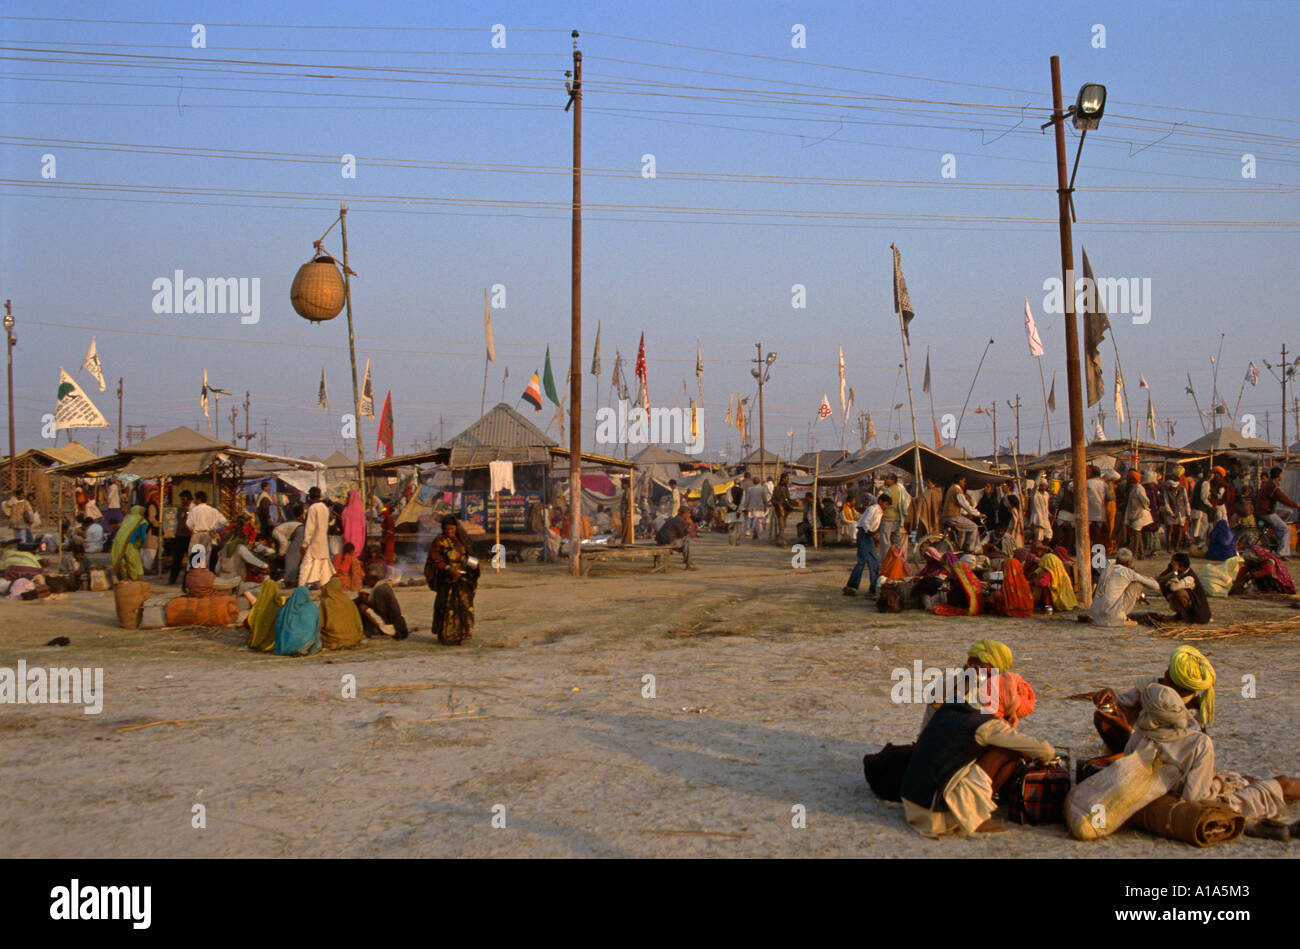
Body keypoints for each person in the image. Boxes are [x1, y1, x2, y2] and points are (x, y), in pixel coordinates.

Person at [1124, 678, 1300, 830]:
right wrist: (1219, 785)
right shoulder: (1197, 743)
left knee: (1246, 779)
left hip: (1168, 792)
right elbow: (1194, 797)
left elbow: (1128, 776)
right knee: (1283, 783)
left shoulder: (1138, 736)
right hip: (1214, 803)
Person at [900, 687, 1055, 838]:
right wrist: (1049, 757)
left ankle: (975, 806)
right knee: (1010, 752)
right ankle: (977, 818)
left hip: (912, 804)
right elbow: (1042, 750)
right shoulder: (985, 725)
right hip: (934, 815)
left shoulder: (950, 707)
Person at [426, 515, 479, 645]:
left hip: (463, 579)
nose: (449, 531)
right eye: (447, 529)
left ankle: (462, 636)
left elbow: (469, 556)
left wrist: (473, 566)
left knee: (465, 607)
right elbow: (435, 558)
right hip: (447, 579)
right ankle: (447, 636)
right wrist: (449, 569)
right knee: (447, 608)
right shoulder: (440, 541)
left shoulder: (461, 540)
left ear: (456, 528)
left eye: (452, 529)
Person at [1089, 548, 1161, 627]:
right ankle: (1122, 617)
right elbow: (1155, 586)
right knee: (1137, 584)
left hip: (1096, 616)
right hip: (1112, 616)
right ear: (1129, 562)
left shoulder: (1107, 568)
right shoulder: (1127, 572)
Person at [843, 493, 890, 597]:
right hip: (864, 535)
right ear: (881, 502)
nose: (886, 507)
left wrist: (874, 537)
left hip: (869, 536)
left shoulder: (880, 511)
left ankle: (873, 589)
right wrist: (873, 536)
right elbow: (865, 523)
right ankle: (851, 587)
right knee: (862, 561)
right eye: (886, 504)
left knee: (874, 563)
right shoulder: (873, 509)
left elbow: (872, 527)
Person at [355, 563, 409, 639]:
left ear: (373, 579)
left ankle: (373, 631)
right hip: (398, 626)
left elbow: (381, 611)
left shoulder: (379, 589)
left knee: (362, 607)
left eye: (367, 577)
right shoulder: (383, 586)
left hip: (392, 627)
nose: (365, 579)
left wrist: (366, 601)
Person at [1157, 552, 1211, 624]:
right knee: (1164, 583)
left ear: (1181, 566)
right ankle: (1180, 614)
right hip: (1192, 607)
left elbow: (1173, 587)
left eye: (1174, 564)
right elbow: (1158, 579)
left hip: (1199, 614)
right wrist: (1167, 571)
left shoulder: (1190, 578)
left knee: (1179, 592)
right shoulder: (1179, 572)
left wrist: (1174, 572)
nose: (1171, 565)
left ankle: (1187, 617)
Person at [1255, 467, 1296, 558]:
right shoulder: (1272, 486)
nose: (1282, 476)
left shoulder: (1271, 484)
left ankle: (1278, 537)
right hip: (1266, 512)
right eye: (1281, 474)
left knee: (1288, 513)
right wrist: (1296, 505)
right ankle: (1282, 553)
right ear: (1278, 476)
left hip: (1266, 511)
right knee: (1286, 529)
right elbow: (1283, 498)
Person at [298, 487, 335, 588]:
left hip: (313, 542)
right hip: (323, 542)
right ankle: (323, 588)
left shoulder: (313, 508)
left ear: (310, 496)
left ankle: (300, 588)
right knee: (323, 567)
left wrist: (304, 544)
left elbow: (310, 528)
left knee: (305, 567)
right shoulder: (324, 507)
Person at [185, 491, 227, 570]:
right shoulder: (212, 510)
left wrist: (193, 529)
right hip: (208, 535)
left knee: (194, 556)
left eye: (196, 499)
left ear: (199, 499)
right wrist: (213, 527)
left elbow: (189, 524)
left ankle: (194, 575)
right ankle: (203, 574)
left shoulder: (194, 510)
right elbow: (223, 521)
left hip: (197, 534)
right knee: (205, 556)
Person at [940, 475, 982, 553]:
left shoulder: (951, 488)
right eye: (964, 481)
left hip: (947, 516)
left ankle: (960, 548)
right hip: (952, 516)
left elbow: (957, 506)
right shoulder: (957, 490)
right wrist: (977, 514)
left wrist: (966, 513)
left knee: (963, 529)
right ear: (959, 481)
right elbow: (965, 504)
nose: (964, 483)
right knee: (974, 527)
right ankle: (970, 550)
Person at [110, 505, 148, 580]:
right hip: (130, 543)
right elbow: (143, 536)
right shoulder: (141, 521)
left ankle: (124, 578)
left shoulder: (126, 519)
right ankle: (135, 579)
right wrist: (139, 545)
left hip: (118, 542)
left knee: (122, 561)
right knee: (133, 561)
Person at [879, 472, 910, 553]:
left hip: (887, 518)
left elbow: (882, 505)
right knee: (896, 542)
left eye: (887, 478)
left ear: (892, 480)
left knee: (885, 543)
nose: (885, 480)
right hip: (897, 518)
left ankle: (885, 561)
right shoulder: (900, 489)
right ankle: (899, 560)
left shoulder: (888, 491)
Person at [167, 490, 193, 585]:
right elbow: (176, 522)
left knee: (191, 559)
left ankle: (188, 580)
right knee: (177, 558)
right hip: (179, 536)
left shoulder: (194, 509)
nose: (182, 501)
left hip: (190, 536)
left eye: (184, 499)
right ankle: (172, 579)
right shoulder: (180, 509)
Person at [741, 474, 767, 540]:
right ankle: (756, 533)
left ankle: (751, 533)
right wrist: (766, 505)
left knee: (751, 520)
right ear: (759, 482)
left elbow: (747, 499)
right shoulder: (762, 489)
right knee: (758, 521)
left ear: (753, 482)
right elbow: (764, 499)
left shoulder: (750, 489)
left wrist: (745, 506)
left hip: (751, 507)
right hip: (760, 507)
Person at [1027, 477, 1052, 543]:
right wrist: (1041, 473)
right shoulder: (1034, 493)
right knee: (1039, 537)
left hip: (1045, 518)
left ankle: (1043, 548)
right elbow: (1035, 484)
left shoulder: (1046, 494)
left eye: (1045, 485)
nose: (1043, 487)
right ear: (1039, 486)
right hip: (1037, 518)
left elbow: (1046, 507)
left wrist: (1050, 514)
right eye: (1042, 485)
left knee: (1049, 535)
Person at [769, 473, 792, 545]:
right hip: (780, 510)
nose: (788, 480)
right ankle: (781, 541)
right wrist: (779, 505)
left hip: (786, 510)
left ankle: (779, 540)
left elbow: (788, 498)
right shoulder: (777, 488)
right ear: (783, 479)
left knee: (783, 526)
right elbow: (773, 500)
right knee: (781, 526)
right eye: (787, 479)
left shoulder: (786, 488)